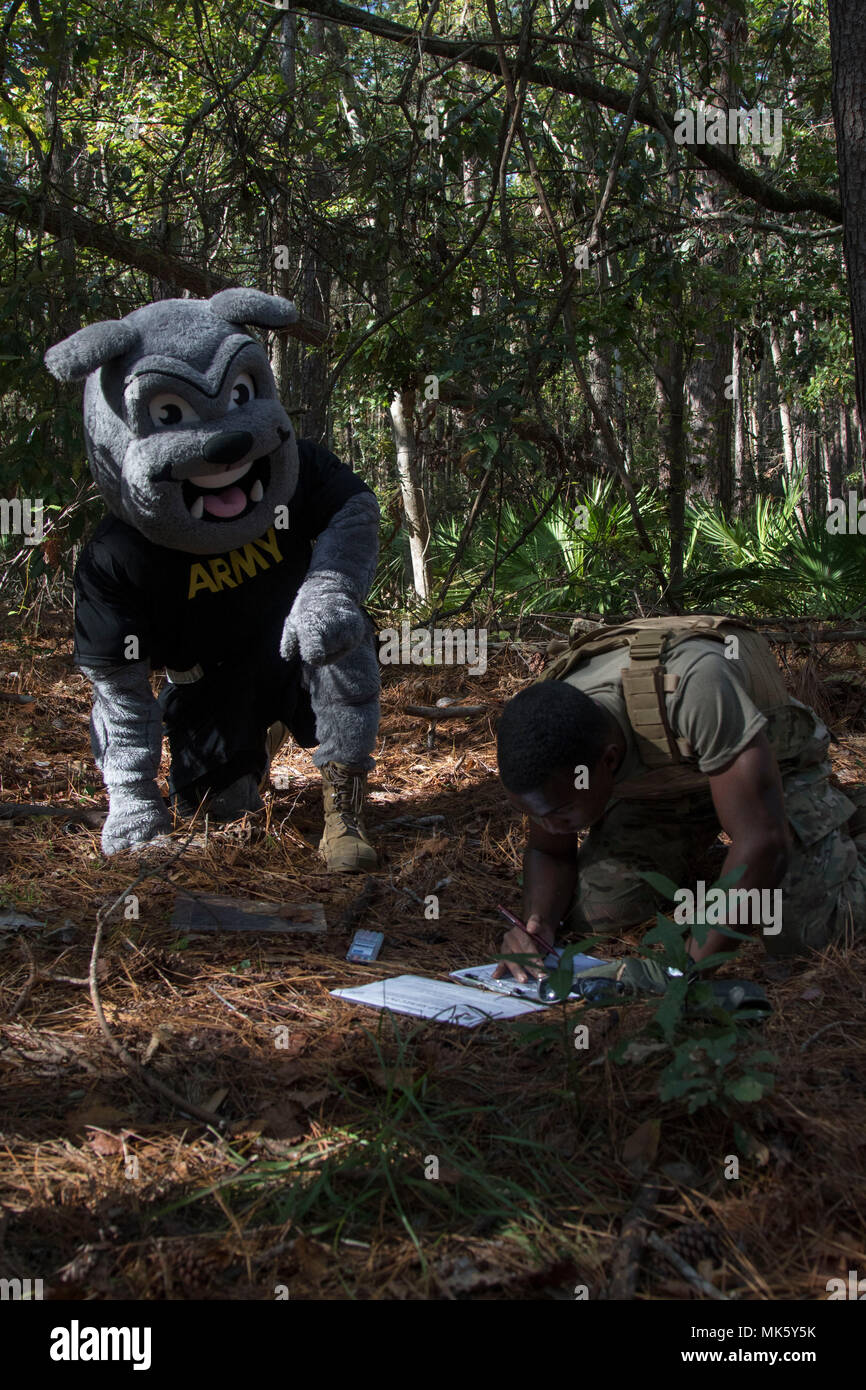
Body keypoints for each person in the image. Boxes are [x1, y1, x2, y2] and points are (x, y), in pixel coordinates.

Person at [494, 617, 866, 981]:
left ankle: (846, 816)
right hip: (668, 788)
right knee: (598, 912)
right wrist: (538, 925)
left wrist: (684, 972)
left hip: (773, 769)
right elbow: (549, 850)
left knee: (804, 932)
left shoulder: (696, 687)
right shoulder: (550, 743)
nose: (546, 826)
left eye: (557, 814)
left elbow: (762, 840)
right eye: (534, 815)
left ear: (607, 761)